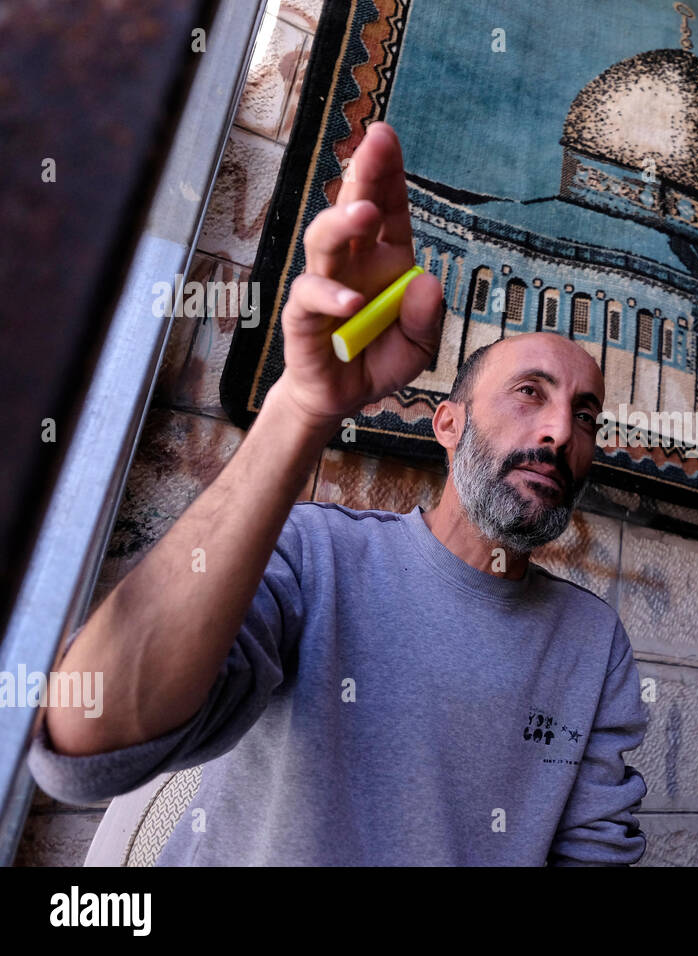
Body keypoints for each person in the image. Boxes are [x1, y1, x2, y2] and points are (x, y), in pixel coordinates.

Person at [26, 121, 649, 866]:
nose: (558, 433)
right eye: (528, 393)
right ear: (446, 424)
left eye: (585, 415)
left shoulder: (594, 642)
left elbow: (594, 853)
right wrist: (303, 406)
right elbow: (89, 742)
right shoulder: (316, 560)